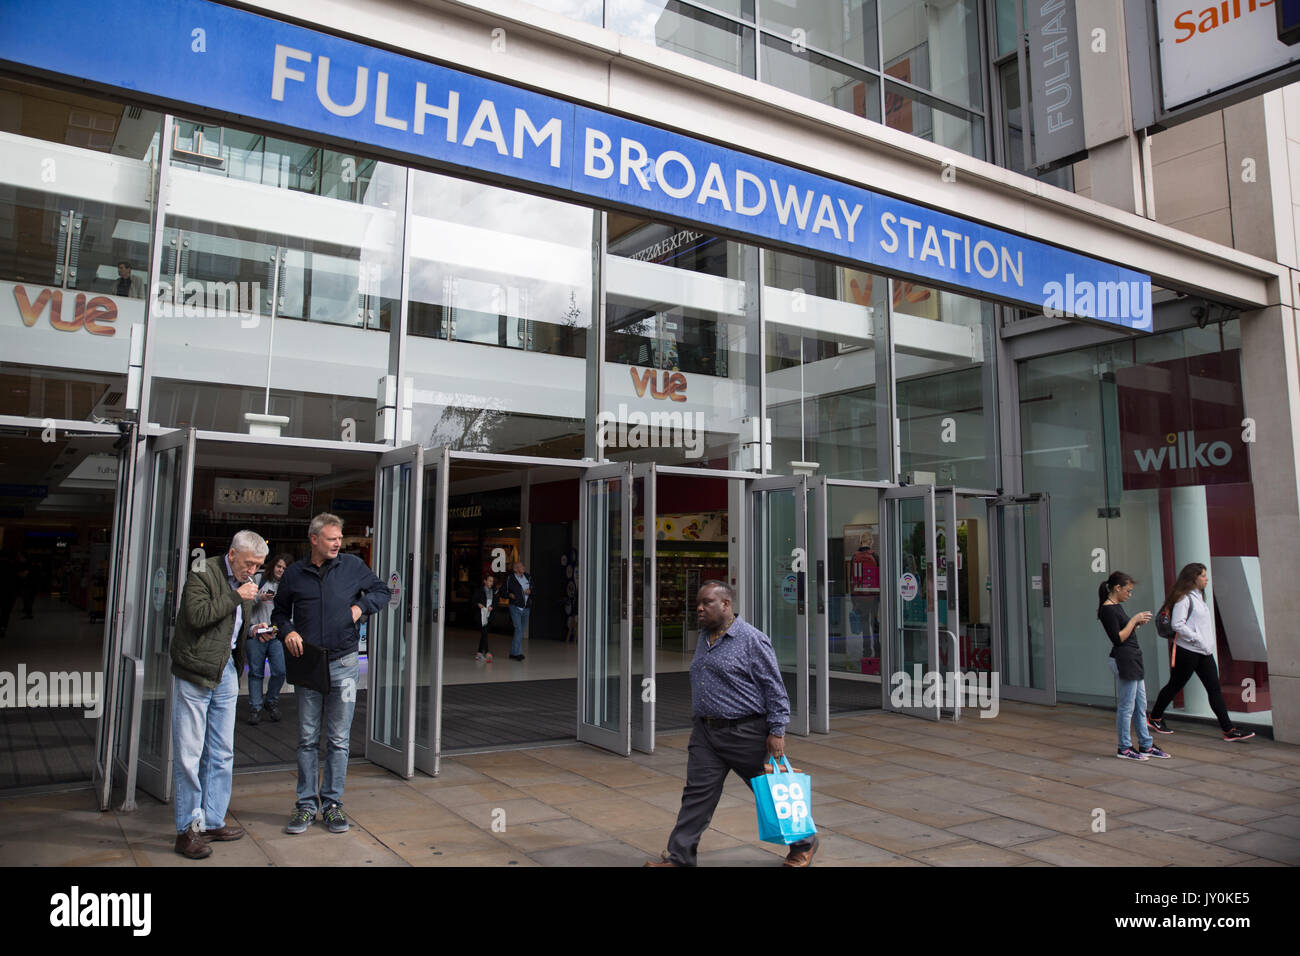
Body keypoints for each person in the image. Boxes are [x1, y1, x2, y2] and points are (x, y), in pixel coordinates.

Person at [646, 581, 819, 867]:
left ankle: (804, 843)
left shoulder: (752, 640)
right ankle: (679, 859)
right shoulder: (705, 636)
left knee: (771, 792)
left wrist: (777, 731)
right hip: (705, 732)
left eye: (707, 603)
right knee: (696, 797)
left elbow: (775, 689)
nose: (699, 608)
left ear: (726, 605)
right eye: (698, 603)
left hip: (745, 733)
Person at [274, 514, 390, 835]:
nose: (338, 543)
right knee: (308, 738)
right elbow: (280, 612)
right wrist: (287, 631)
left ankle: (333, 805)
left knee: (339, 740)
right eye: (331, 538)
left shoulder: (352, 566)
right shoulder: (295, 574)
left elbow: (382, 591)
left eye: (339, 537)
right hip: (309, 664)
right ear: (314, 539)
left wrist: (360, 608)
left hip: (345, 665)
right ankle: (306, 806)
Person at [170, 530, 267, 859]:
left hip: (226, 672)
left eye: (258, 565)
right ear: (232, 554)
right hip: (196, 671)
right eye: (249, 563)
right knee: (189, 755)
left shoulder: (247, 583)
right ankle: (188, 830)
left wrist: (254, 630)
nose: (252, 570)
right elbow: (196, 617)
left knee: (222, 753)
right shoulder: (202, 572)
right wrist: (238, 596)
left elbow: (233, 624)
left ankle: (212, 820)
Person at [1148, 563, 1256, 742]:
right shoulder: (1184, 598)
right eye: (1203, 575)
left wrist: (1205, 643)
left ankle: (1228, 730)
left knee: (1214, 689)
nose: (1207, 578)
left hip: (1204, 652)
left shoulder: (1199, 596)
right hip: (1188, 651)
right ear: (1193, 578)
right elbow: (1177, 624)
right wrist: (1196, 638)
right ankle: (1155, 718)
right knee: (1175, 685)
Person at [1097, 571, 1169, 761]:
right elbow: (1118, 638)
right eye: (1128, 591)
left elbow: (1124, 632)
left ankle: (1146, 744)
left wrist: (1136, 624)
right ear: (1117, 588)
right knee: (1127, 706)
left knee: (1140, 705)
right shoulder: (1107, 609)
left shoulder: (1116, 606)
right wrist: (1134, 620)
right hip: (1123, 659)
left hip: (1132, 658)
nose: (1130, 594)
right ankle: (1125, 747)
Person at [245, 552, 292, 725]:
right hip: (256, 633)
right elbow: (243, 602)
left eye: (284, 568)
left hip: (275, 634)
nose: (281, 570)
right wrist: (259, 597)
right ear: (273, 566)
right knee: (256, 673)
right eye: (279, 566)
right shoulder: (258, 579)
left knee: (280, 671)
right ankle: (255, 708)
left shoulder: (288, 587)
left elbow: (290, 613)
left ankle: (271, 701)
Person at [504, 560, 532, 661]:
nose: (523, 567)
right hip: (515, 607)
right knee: (518, 629)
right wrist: (509, 595)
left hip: (526, 608)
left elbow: (533, 588)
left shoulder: (528, 577)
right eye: (520, 566)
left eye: (523, 565)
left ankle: (513, 652)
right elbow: (503, 591)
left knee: (521, 630)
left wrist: (530, 591)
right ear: (515, 569)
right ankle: (518, 653)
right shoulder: (510, 578)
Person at [475, 572, 496, 663]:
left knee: (484, 633)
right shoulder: (479, 590)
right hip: (481, 615)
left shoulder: (493, 591)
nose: (491, 583)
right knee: (484, 633)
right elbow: (474, 600)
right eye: (490, 581)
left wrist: (492, 607)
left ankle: (479, 653)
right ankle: (487, 652)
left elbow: (496, 602)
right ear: (485, 581)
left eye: (492, 581)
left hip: (489, 615)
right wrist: (478, 604)